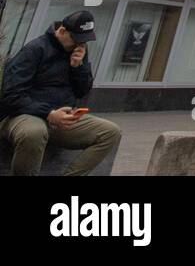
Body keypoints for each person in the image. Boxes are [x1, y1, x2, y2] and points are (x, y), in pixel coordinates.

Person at [0, 10, 122, 176]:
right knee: (34, 133)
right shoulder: (34, 49)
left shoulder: (78, 52)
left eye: (84, 41)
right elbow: (11, 95)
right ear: (62, 31)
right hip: (24, 114)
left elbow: (82, 91)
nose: (79, 45)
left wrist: (78, 67)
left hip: (61, 117)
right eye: (76, 39)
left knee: (110, 132)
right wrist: (48, 113)